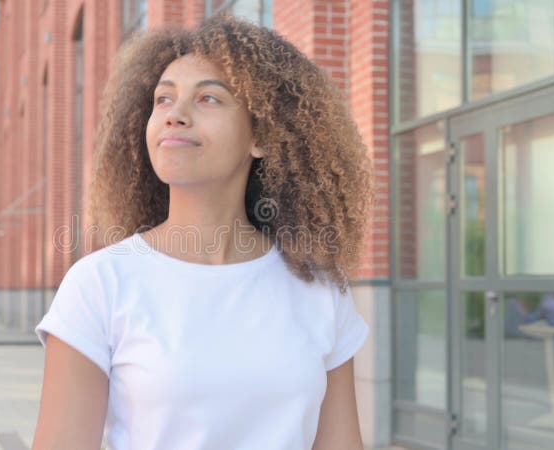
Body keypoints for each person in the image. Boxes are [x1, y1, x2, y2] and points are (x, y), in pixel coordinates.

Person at [31, 13, 373, 450]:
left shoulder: (322, 290)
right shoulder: (99, 285)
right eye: (163, 99)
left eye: (208, 98)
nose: (175, 115)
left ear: (262, 136)